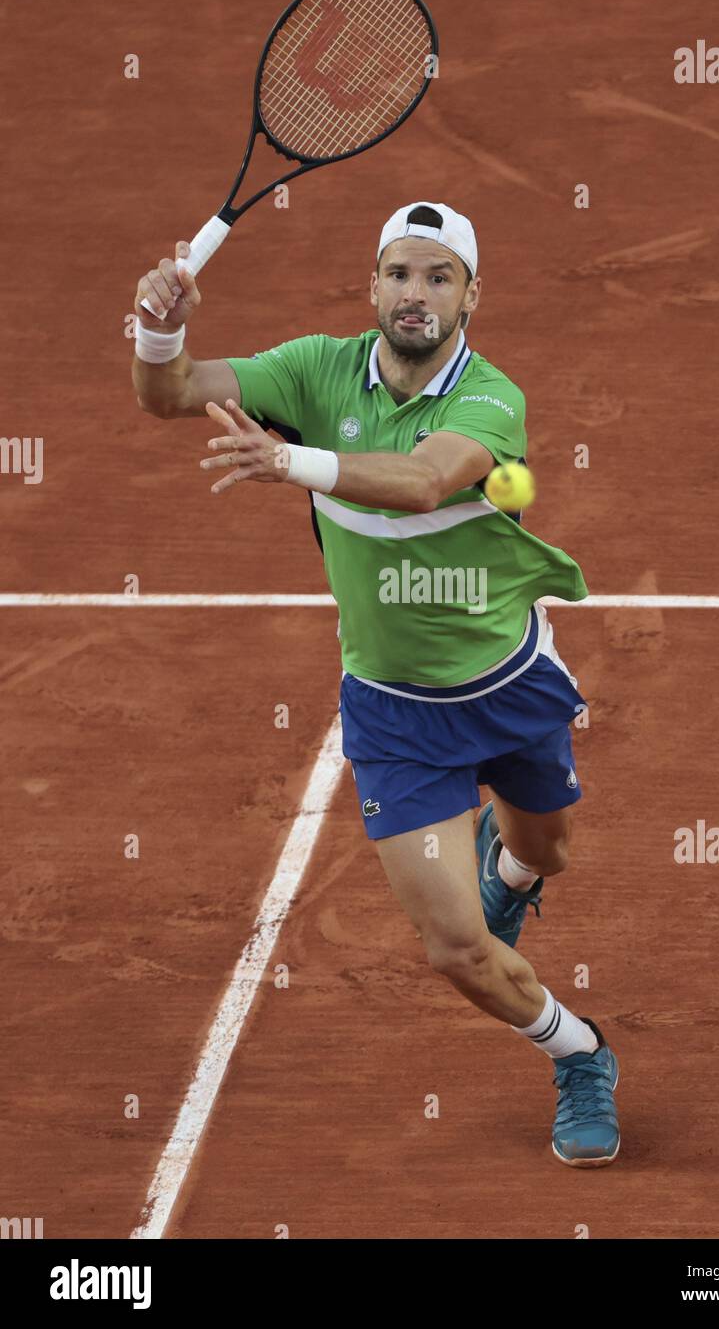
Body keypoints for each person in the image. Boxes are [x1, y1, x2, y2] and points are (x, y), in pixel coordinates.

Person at [131, 201, 620, 1166]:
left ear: (471, 295)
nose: (416, 294)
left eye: (440, 277)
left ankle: (509, 866)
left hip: (508, 678)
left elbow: (424, 482)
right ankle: (580, 1053)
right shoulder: (314, 368)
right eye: (400, 273)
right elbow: (170, 392)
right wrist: (159, 323)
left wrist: (288, 460)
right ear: (372, 287)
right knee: (458, 948)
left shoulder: (492, 398)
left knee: (547, 853)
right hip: (394, 710)